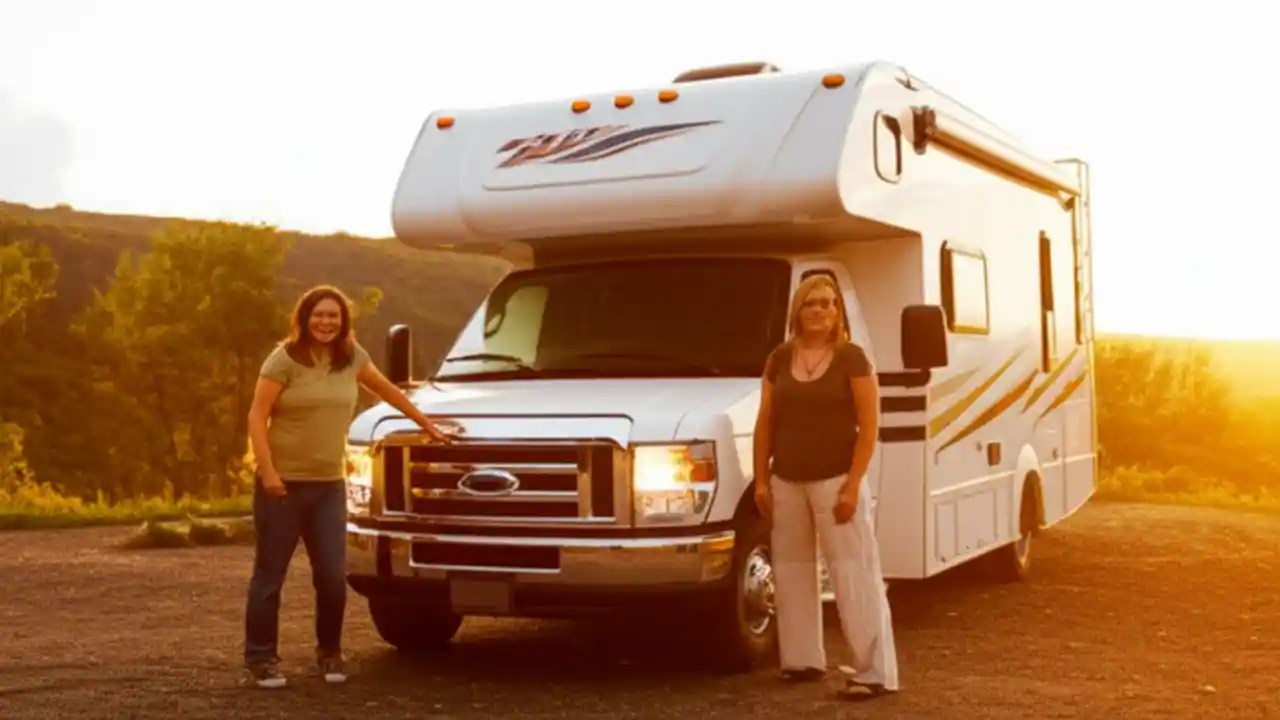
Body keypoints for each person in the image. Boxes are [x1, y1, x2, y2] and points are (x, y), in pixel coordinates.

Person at [242, 284, 453, 689]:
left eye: (333, 316)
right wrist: (267, 472)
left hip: (328, 487)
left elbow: (388, 390)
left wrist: (426, 424)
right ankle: (261, 658)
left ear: (343, 322)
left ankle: (329, 652)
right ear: (305, 318)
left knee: (332, 576)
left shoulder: (352, 356)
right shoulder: (283, 360)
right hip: (282, 487)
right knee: (270, 576)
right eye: (319, 315)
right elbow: (257, 416)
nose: (326, 322)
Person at [752, 273, 900, 702]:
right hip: (787, 480)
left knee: (854, 573)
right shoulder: (780, 358)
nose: (820, 310)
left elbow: (869, 426)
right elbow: (766, 422)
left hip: (836, 480)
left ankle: (875, 672)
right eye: (811, 303)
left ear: (838, 313)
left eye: (828, 303)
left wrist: (853, 485)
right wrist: (761, 480)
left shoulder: (852, 359)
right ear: (797, 311)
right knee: (791, 570)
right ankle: (802, 660)